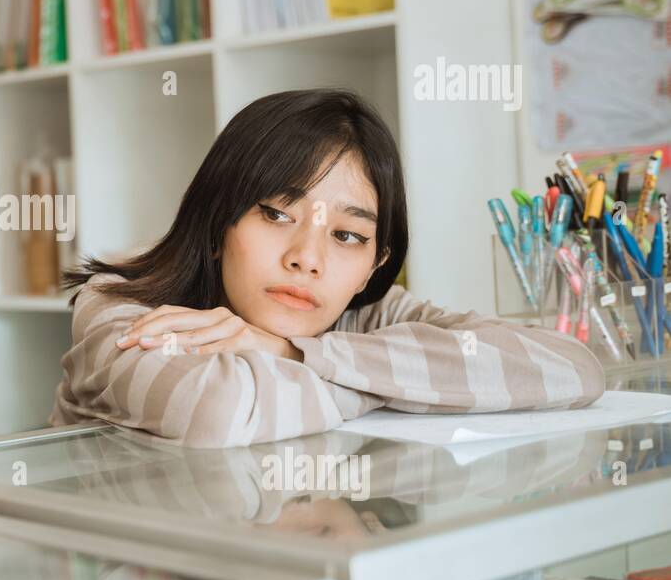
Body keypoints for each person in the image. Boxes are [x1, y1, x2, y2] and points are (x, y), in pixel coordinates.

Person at [51, 89, 605, 447]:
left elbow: (573, 368)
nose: (307, 259)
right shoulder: (122, 307)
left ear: (373, 265)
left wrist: (292, 352)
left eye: (347, 235)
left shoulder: (363, 312)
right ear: (218, 221)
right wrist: (401, 383)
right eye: (276, 214)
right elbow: (215, 411)